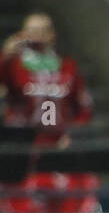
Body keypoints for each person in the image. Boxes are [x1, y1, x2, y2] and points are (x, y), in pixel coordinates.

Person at [0, 13, 92, 146]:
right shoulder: (14, 65)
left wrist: (73, 135)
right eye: (31, 31)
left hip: (58, 142)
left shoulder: (68, 67)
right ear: (22, 35)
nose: (37, 36)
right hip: (21, 142)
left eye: (43, 31)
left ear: (52, 35)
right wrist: (6, 55)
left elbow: (85, 107)